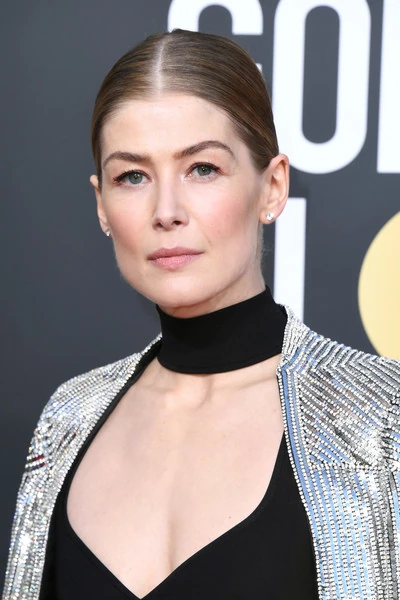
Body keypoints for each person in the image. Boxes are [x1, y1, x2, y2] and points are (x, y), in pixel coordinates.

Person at [2, 29, 400, 600]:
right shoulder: (68, 419)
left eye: (202, 169)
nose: (166, 211)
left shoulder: (380, 418)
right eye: (132, 176)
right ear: (101, 205)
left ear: (272, 187)